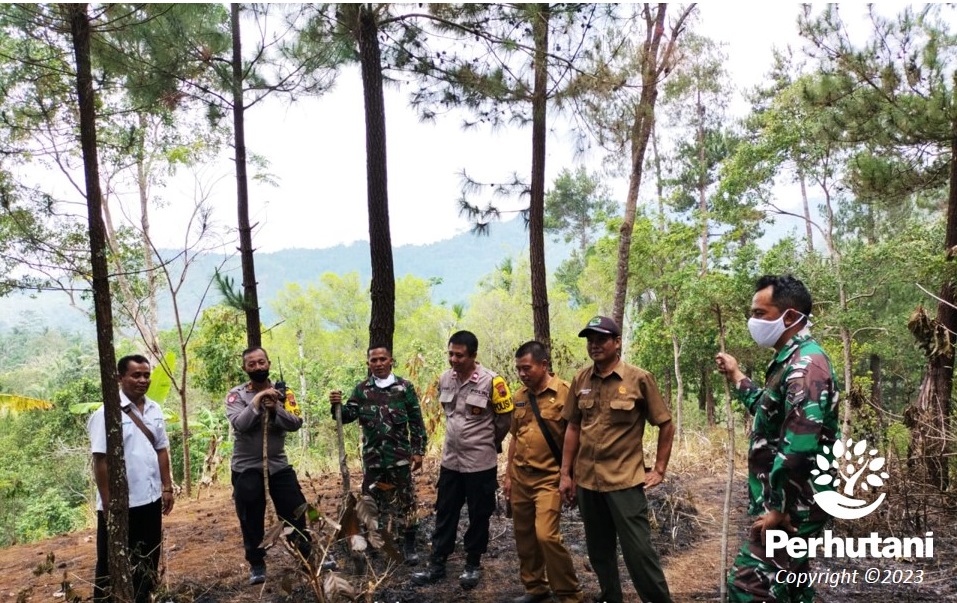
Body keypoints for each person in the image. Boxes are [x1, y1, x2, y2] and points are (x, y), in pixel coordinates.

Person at [715, 274, 839, 602]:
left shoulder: (807, 365)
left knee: (749, 587)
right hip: (792, 500)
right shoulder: (789, 361)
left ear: (791, 317)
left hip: (795, 504)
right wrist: (737, 376)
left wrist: (779, 508)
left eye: (760, 314)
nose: (752, 321)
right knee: (793, 584)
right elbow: (767, 411)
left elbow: (800, 446)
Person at [559, 316, 675, 603]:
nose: (594, 345)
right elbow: (573, 427)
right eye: (590, 340)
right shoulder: (581, 379)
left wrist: (659, 469)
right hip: (587, 481)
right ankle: (611, 596)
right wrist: (566, 475)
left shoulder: (639, 378)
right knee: (599, 551)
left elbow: (666, 423)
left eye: (601, 339)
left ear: (617, 341)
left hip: (624, 482)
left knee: (639, 552)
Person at [412, 330, 514, 590]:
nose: (453, 359)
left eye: (459, 355)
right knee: (445, 512)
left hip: (481, 463)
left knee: (479, 514)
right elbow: (449, 415)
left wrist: (487, 442)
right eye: (450, 354)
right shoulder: (445, 379)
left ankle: (472, 563)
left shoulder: (493, 382)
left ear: (473, 356)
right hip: (450, 462)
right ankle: (438, 563)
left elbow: (504, 421)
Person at [329, 344, 427, 564]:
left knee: (406, 502)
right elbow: (346, 416)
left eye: (383, 359)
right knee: (370, 504)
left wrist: (418, 451)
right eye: (374, 360)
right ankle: (375, 544)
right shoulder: (362, 390)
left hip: (400, 458)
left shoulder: (404, 387)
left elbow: (416, 421)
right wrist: (336, 405)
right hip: (373, 460)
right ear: (368, 364)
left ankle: (409, 544)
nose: (379, 363)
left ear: (391, 360)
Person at [88, 354, 175, 603]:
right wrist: (108, 503)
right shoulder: (106, 413)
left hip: (150, 498)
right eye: (136, 375)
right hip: (120, 505)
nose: (143, 380)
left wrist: (167, 487)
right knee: (110, 561)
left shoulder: (155, 409)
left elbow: (161, 449)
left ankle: (142, 597)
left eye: (146, 374)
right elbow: (101, 460)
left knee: (148, 556)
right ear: (120, 378)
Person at [504, 341, 583, 603]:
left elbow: (576, 438)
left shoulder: (565, 393)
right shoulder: (519, 397)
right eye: (518, 369)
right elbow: (515, 437)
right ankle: (535, 588)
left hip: (550, 479)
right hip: (521, 478)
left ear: (544, 365)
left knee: (546, 535)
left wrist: (569, 476)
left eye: (527, 368)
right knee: (524, 536)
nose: (522, 374)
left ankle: (569, 593)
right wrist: (507, 476)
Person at [226, 346, 312, 585]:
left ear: (269, 363)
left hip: (278, 464)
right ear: (245, 368)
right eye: (252, 364)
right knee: (250, 516)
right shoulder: (236, 395)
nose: (257, 367)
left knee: (296, 509)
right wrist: (255, 402)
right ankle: (256, 563)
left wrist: (276, 409)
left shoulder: (286, 393)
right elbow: (240, 425)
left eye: (261, 362)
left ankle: (306, 555)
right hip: (246, 467)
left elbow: (295, 423)